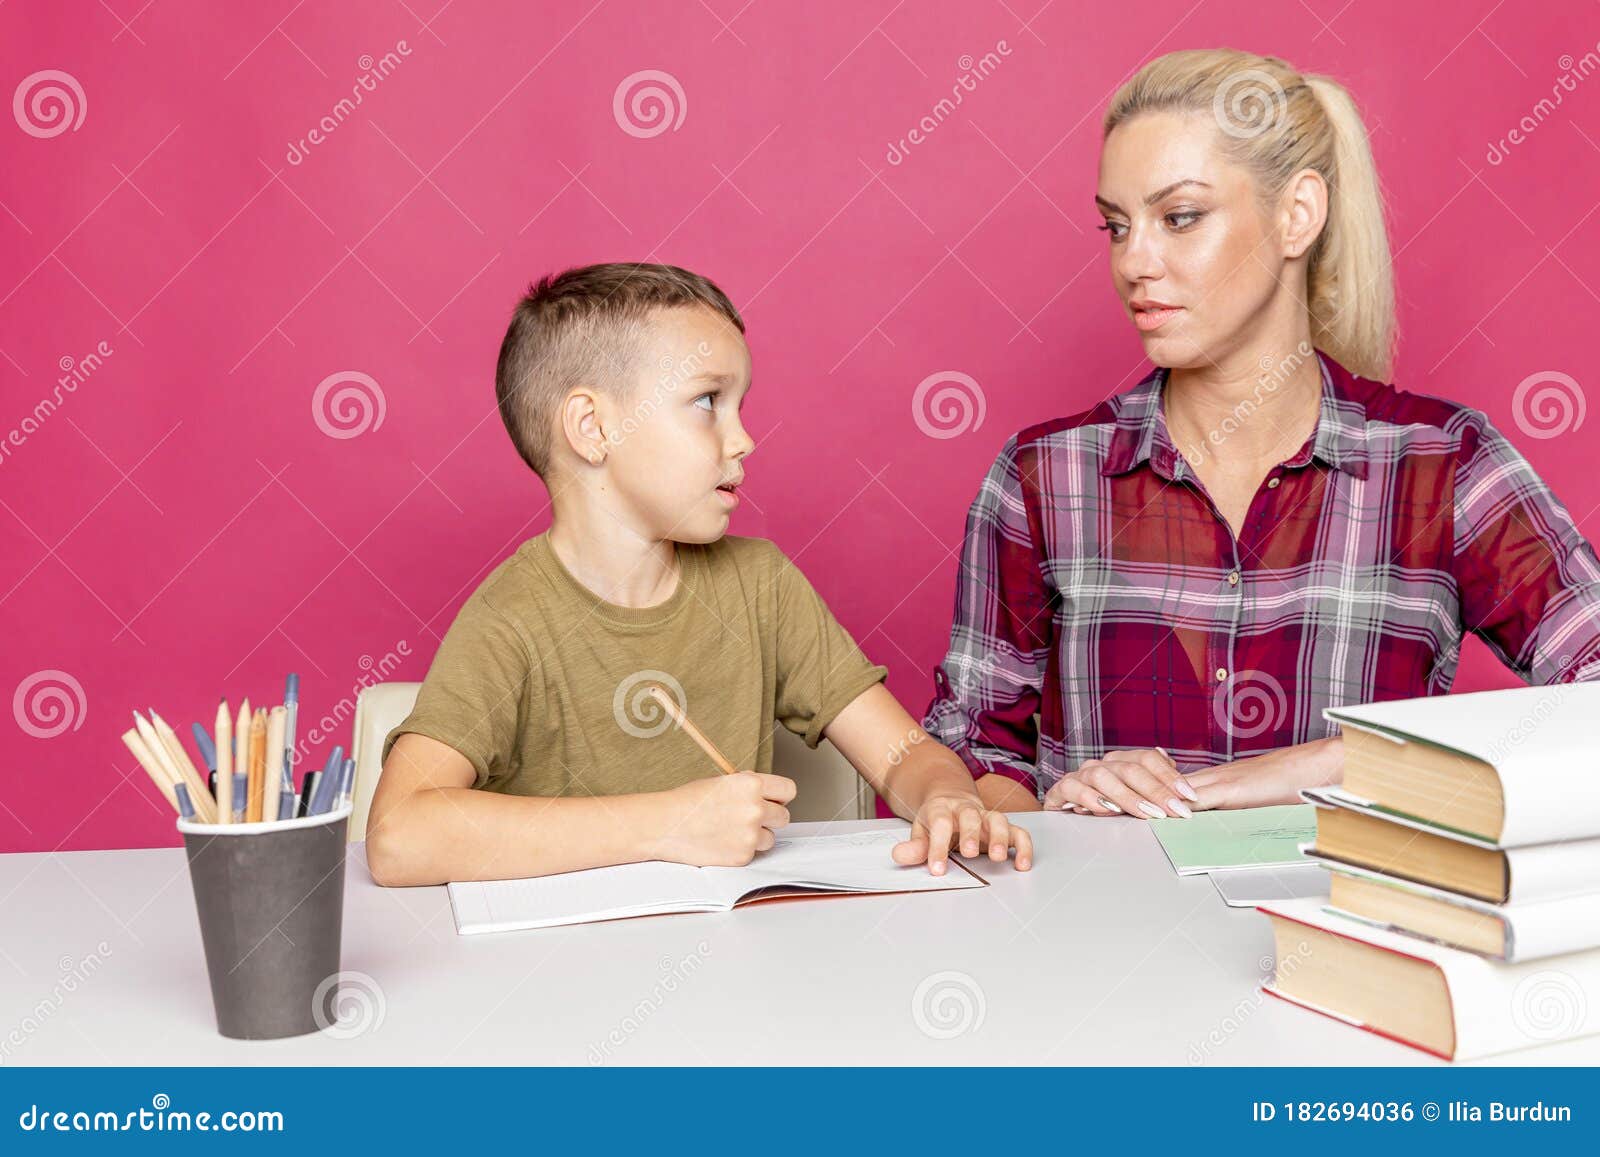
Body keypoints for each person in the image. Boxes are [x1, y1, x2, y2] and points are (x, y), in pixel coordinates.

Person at [924, 49, 1600, 822]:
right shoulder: (1044, 476)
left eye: (1179, 217)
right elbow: (975, 751)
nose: (1135, 262)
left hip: (1361, 931)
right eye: (1117, 226)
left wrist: (1325, 764)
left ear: (1296, 216)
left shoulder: (1441, 465)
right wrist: (1050, 815)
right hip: (1105, 933)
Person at [367, 263, 1033, 885]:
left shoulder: (760, 585)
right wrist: (669, 824)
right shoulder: (510, 619)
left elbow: (903, 754)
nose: (743, 438)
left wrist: (945, 794)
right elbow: (398, 835)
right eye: (708, 400)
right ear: (592, 428)